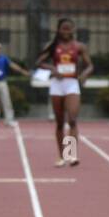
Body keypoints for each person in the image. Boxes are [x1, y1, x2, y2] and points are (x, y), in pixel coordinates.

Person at [35, 18, 92, 166]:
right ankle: (61, 156)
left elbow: (90, 65)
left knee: (72, 119)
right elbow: (39, 62)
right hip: (57, 85)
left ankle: (71, 155)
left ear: (73, 30)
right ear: (59, 30)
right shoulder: (53, 46)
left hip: (72, 84)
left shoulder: (79, 46)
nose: (66, 32)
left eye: (69, 29)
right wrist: (53, 69)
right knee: (60, 123)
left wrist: (85, 74)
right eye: (64, 29)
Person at [0, 41, 27, 127]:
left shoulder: (4, 58)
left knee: (6, 100)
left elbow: (12, 65)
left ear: (0, 49)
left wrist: (22, 71)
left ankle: (9, 120)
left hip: (2, 81)